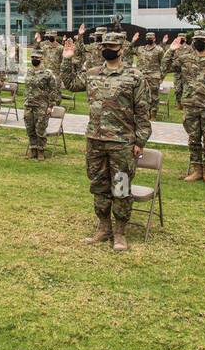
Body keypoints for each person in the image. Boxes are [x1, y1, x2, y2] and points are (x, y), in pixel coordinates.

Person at [60, 31, 150, 251]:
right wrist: (66, 58)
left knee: (121, 186)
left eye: (111, 46)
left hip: (122, 142)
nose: (106, 49)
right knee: (98, 185)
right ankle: (103, 227)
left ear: (121, 49)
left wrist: (140, 140)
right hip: (96, 140)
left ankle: (120, 232)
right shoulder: (92, 73)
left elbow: (143, 111)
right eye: (104, 46)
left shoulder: (134, 76)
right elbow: (70, 83)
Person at [164, 30, 205, 182]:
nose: (198, 42)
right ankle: (197, 170)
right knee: (193, 139)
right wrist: (171, 50)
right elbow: (165, 67)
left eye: (201, 39)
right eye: (196, 39)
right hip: (191, 105)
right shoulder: (185, 58)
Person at [22, 46, 61, 159]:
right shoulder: (29, 71)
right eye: (32, 57)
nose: (34, 59)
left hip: (41, 106)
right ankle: (33, 149)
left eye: (37, 57)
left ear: (42, 58)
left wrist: (51, 105)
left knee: (40, 129)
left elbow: (53, 90)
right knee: (30, 128)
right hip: (29, 104)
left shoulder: (47, 73)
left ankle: (41, 151)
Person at [135, 31, 167, 109]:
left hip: (154, 77)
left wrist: (161, 77)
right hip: (142, 76)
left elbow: (163, 64)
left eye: (151, 38)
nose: (149, 39)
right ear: (146, 39)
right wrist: (133, 41)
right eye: (148, 38)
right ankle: (144, 113)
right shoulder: (140, 49)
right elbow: (128, 50)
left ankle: (153, 114)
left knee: (154, 97)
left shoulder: (159, 50)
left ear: (154, 39)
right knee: (141, 96)